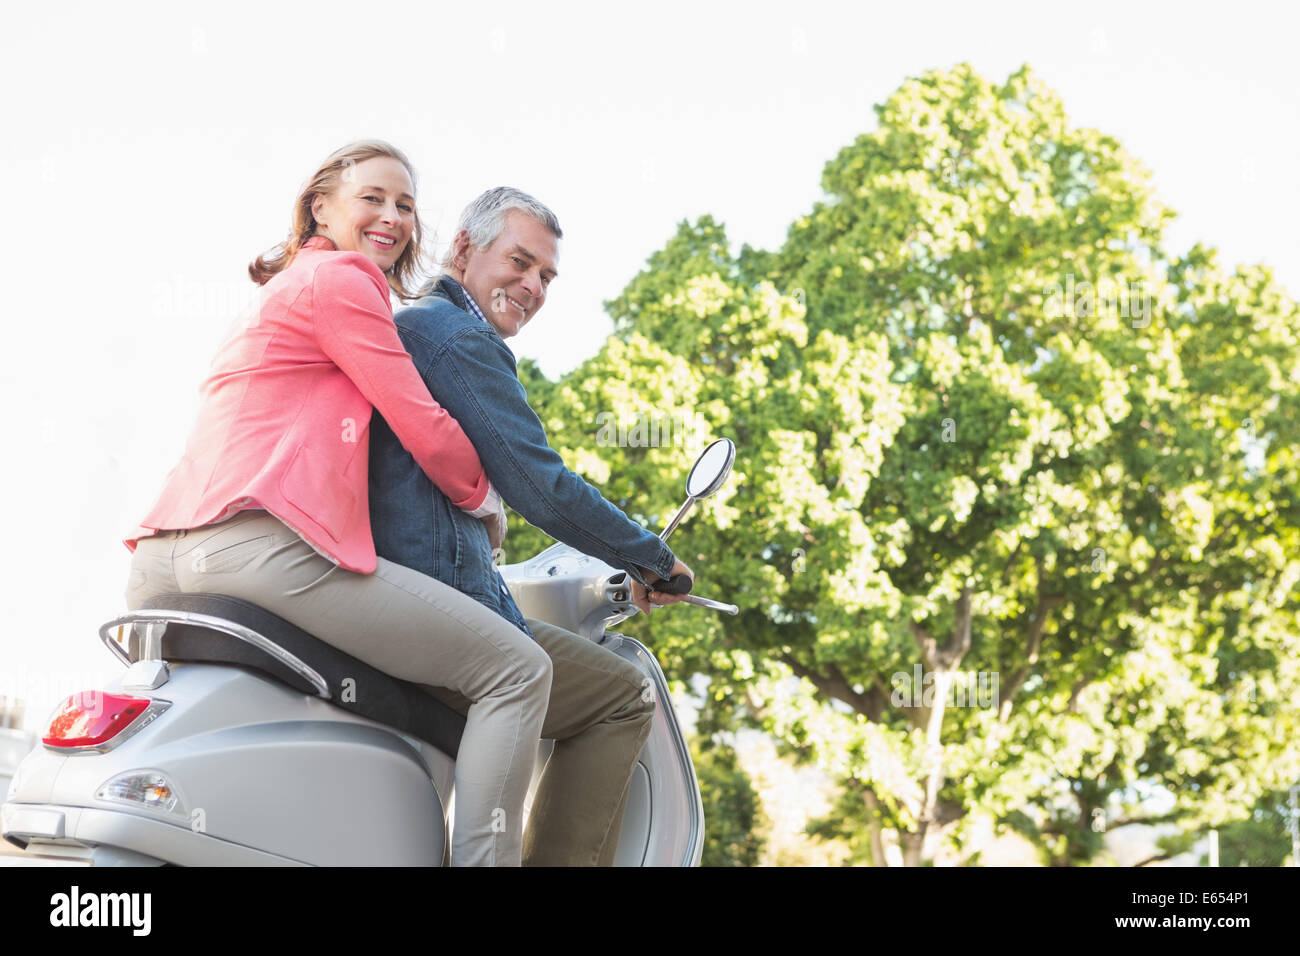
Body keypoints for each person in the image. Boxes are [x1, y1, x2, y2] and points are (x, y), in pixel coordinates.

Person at [122, 142, 553, 867]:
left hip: (159, 560)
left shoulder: (281, 290)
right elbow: (422, 426)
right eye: (374, 197)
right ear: (320, 205)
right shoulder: (347, 280)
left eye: (407, 206)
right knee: (518, 672)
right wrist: (487, 505)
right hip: (257, 550)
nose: (392, 217)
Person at [368, 187, 694, 866]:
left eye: (545, 276)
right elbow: (542, 487)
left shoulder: (413, 326)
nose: (533, 286)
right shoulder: (454, 338)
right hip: (444, 598)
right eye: (519, 262)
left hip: (405, 587)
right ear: (463, 248)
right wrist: (652, 559)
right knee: (622, 695)